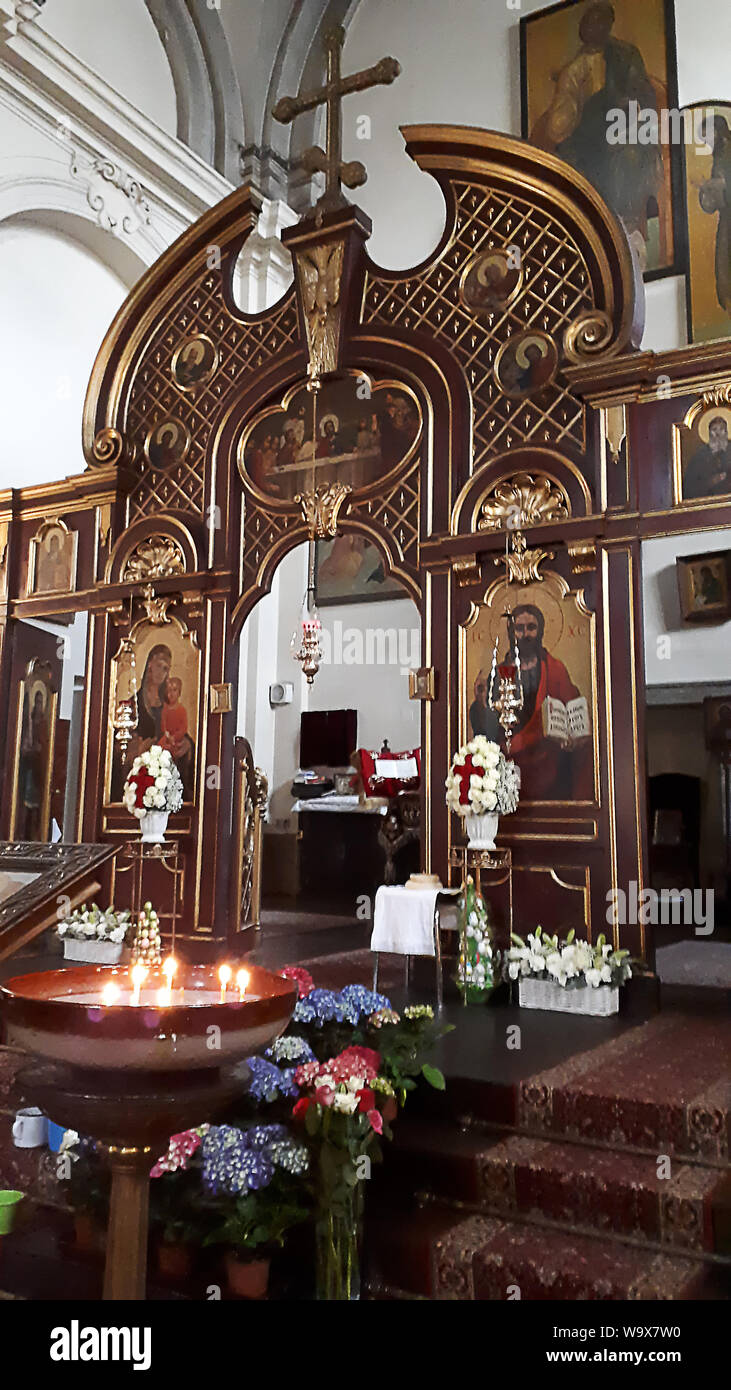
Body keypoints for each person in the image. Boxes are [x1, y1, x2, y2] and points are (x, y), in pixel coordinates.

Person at [531, 1, 664, 270]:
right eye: (588, 22)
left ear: (609, 25)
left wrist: (627, 105)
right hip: (587, 138)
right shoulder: (575, 69)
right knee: (575, 173)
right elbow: (559, 124)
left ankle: (625, 231)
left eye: (600, 21)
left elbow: (643, 94)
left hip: (627, 128)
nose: (593, 27)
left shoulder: (625, 54)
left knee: (630, 155)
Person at [698, 114, 731, 319]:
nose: (707, 143)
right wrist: (706, 192)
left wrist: (720, 187)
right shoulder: (719, 156)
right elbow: (714, 202)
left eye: (707, 137)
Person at [684, 415, 731, 499]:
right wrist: (711, 482)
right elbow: (689, 487)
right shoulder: (700, 456)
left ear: (726, 431)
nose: (718, 434)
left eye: (721, 429)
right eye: (714, 430)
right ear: (709, 433)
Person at [160, 676, 189, 758]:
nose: (171, 694)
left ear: (179, 692)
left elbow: (183, 728)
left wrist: (175, 737)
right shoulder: (165, 709)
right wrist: (167, 735)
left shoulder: (181, 710)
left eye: (174, 690)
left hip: (177, 739)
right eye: (169, 690)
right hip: (166, 738)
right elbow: (163, 725)